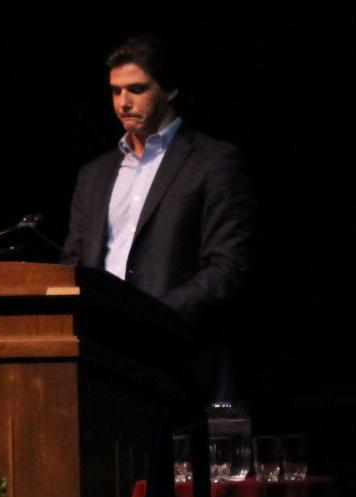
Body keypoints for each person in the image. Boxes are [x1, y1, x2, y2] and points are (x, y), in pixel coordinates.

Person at [62, 34, 256, 331]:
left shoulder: (213, 162)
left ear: (170, 89)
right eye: (116, 91)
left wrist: (150, 317)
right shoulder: (93, 175)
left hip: (174, 348)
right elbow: (73, 265)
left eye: (137, 89)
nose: (123, 103)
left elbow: (227, 268)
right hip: (99, 348)